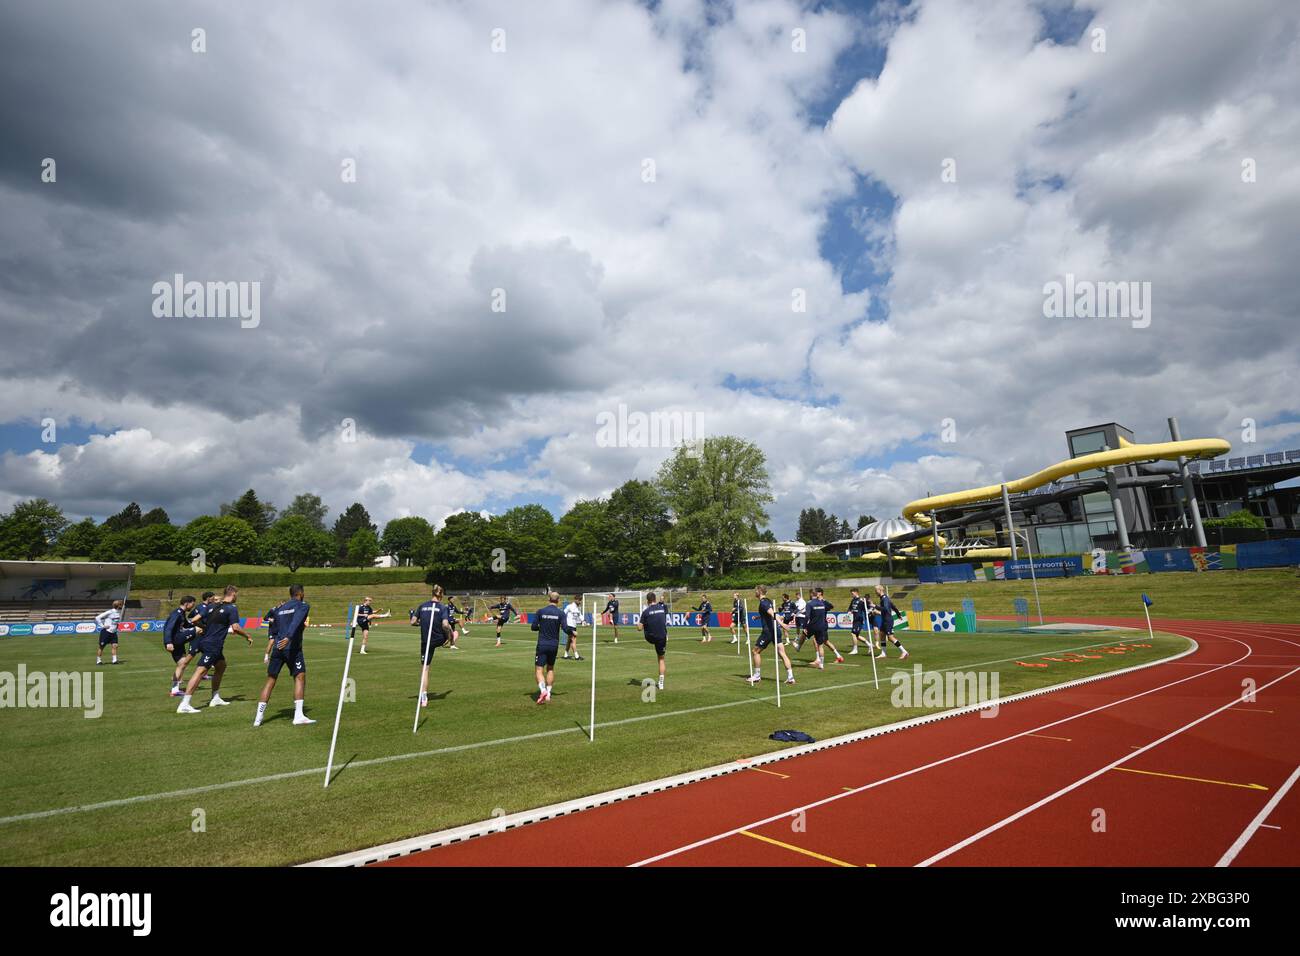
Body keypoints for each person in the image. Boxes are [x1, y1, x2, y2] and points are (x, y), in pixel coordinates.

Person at [177, 585, 254, 713]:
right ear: (233, 594)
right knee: (200, 671)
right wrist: (247, 635)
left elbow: (194, 620)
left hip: (206, 641)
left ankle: (215, 697)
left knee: (221, 666)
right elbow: (235, 627)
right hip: (213, 645)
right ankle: (185, 704)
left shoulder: (212, 606)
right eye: (237, 595)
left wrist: (205, 628)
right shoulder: (232, 608)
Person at [254, 585, 315, 726]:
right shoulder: (303, 606)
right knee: (300, 677)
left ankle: (258, 718)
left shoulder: (280, 608)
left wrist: (280, 639)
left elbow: (274, 628)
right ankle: (298, 716)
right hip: (292, 648)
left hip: (277, 648)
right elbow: (296, 621)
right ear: (301, 593)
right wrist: (288, 637)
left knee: (270, 680)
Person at [412, 585, 453, 708]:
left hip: (426, 641)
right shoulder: (442, 607)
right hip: (438, 638)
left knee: (425, 669)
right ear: (440, 595)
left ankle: (424, 696)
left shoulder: (422, 606)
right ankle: (451, 640)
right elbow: (445, 624)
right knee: (453, 632)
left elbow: (412, 622)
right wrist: (449, 634)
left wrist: (421, 623)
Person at [746, 585, 795, 685]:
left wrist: (783, 624)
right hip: (775, 630)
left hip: (768, 631)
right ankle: (790, 677)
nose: (754, 592)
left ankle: (756, 675)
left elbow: (773, 614)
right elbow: (770, 613)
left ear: (759, 591)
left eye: (755, 591)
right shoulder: (768, 601)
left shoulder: (763, 602)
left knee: (755, 651)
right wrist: (758, 617)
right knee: (782, 653)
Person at [530, 592, 564, 703]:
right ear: (558, 600)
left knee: (539, 670)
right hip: (554, 645)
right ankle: (548, 694)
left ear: (549, 599)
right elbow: (566, 628)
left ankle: (543, 690)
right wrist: (572, 632)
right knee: (550, 668)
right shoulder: (560, 613)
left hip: (542, 644)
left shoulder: (541, 611)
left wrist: (541, 627)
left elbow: (533, 627)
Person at [163, 595, 198, 696]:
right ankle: (202, 647)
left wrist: (197, 624)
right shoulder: (176, 613)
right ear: (187, 603)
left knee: (182, 664)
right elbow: (168, 628)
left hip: (178, 642)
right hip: (175, 641)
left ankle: (174, 690)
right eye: (192, 604)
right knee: (198, 631)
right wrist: (168, 642)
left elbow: (186, 624)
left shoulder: (181, 613)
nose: (192, 607)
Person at [802, 587, 843, 669]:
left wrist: (823, 600)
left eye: (817, 592)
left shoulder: (822, 602)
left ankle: (819, 660)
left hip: (822, 625)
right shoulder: (815, 603)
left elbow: (831, 606)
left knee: (818, 641)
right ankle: (838, 656)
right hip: (819, 625)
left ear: (820, 593)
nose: (815, 594)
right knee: (825, 642)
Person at [637, 591, 668, 691]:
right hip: (662, 637)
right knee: (661, 659)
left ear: (647, 601)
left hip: (650, 637)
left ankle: (661, 683)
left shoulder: (646, 611)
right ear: (655, 599)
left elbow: (639, 628)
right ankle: (661, 683)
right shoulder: (662, 609)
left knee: (644, 626)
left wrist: (639, 624)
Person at [874, 585, 910, 660]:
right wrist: (898, 614)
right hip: (884, 620)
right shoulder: (884, 598)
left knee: (890, 637)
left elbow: (886, 609)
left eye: (876, 590)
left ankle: (904, 651)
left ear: (880, 590)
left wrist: (875, 606)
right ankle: (883, 653)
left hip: (888, 620)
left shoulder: (884, 598)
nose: (875, 592)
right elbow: (893, 606)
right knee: (882, 635)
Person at [93, 599, 124, 665]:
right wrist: (102, 626)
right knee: (102, 647)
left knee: (115, 646)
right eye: (121, 604)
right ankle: (98, 661)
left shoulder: (118, 612)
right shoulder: (110, 612)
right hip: (106, 632)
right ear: (118, 605)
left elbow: (115, 622)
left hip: (114, 632)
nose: (122, 606)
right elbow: (97, 617)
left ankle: (114, 660)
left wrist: (116, 628)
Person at [562, 594, 584, 660]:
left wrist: (583, 621)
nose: (580, 602)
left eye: (581, 600)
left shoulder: (578, 608)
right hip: (569, 626)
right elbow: (563, 614)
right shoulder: (569, 606)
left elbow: (580, 615)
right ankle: (577, 656)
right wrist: (562, 623)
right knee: (573, 640)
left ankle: (565, 655)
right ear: (576, 600)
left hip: (574, 626)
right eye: (579, 600)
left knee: (569, 640)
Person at [847, 588, 868, 655]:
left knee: (853, 634)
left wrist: (865, 619)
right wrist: (849, 611)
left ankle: (855, 649)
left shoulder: (861, 600)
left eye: (852, 593)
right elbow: (850, 608)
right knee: (857, 636)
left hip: (859, 619)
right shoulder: (853, 600)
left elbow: (865, 610)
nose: (852, 595)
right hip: (855, 619)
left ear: (856, 593)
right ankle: (869, 645)